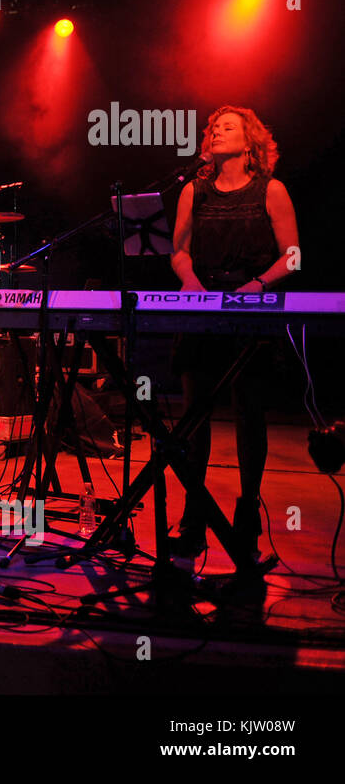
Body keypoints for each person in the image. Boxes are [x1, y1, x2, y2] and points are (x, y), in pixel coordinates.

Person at [170, 105, 299, 561]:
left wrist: (258, 284)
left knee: (249, 413)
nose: (216, 131)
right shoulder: (194, 191)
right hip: (201, 303)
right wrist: (188, 280)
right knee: (193, 419)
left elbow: (294, 257)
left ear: (249, 143)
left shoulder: (272, 189)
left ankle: (247, 517)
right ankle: (193, 517)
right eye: (213, 128)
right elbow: (179, 250)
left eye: (227, 127)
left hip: (252, 304)